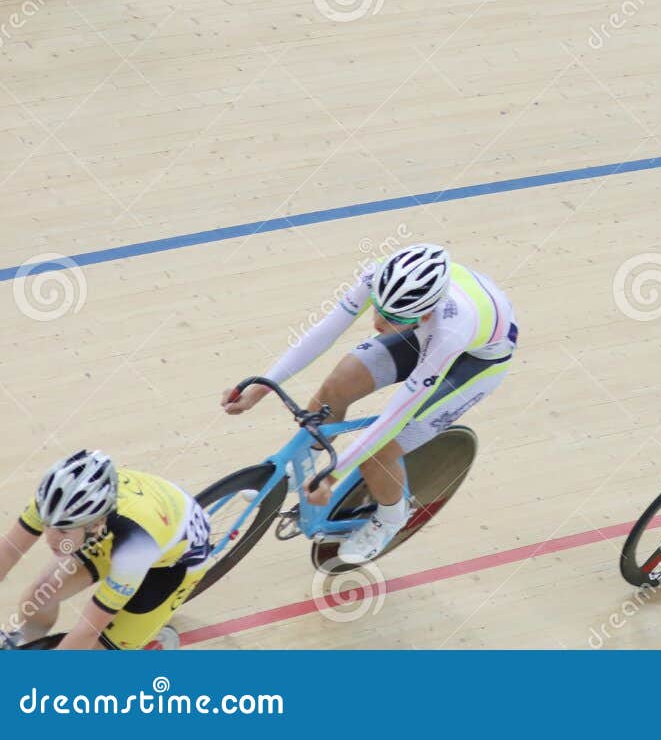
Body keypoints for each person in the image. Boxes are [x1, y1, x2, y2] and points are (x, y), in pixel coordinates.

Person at [221, 243, 516, 565]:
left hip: (475, 362)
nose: (377, 322)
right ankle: (302, 467)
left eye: (391, 318)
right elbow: (324, 332)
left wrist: (332, 476)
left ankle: (391, 517)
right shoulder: (380, 274)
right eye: (377, 308)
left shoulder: (450, 330)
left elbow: (395, 416)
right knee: (337, 385)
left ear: (425, 313)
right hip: (422, 330)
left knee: (379, 453)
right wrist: (261, 387)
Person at [0, 450, 208, 649]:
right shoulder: (56, 503)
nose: (50, 538)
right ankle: (26, 646)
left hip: (173, 564)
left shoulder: (135, 549)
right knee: (42, 593)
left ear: (94, 525)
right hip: (133, 518)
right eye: (46, 524)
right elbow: (8, 551)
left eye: (63, 531)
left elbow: (89, 630)